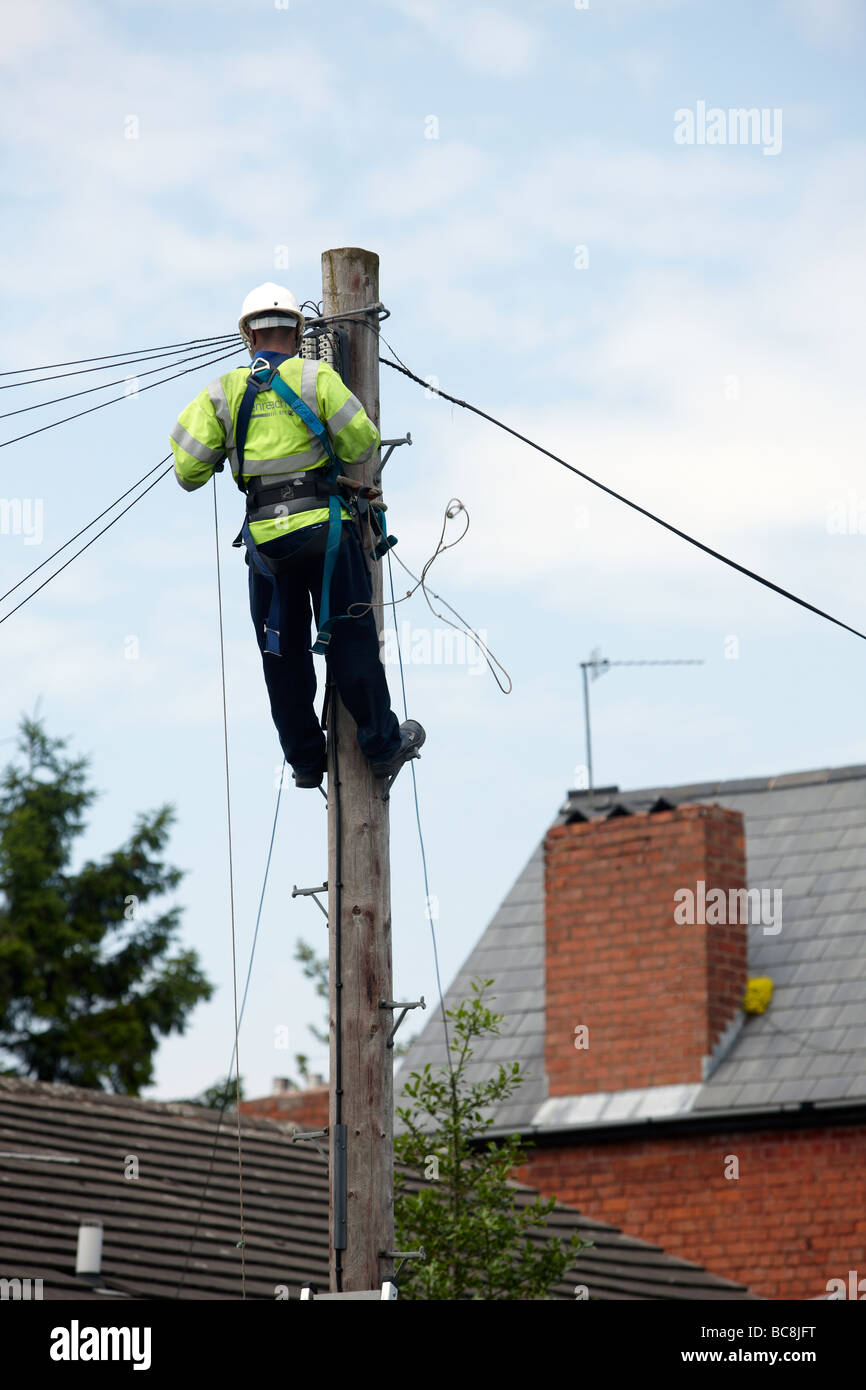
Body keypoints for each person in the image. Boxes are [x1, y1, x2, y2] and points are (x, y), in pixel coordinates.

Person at [169, 282, 424, 788]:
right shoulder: (317, 377)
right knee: (352, 641)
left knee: (281, 655)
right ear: (299, 330)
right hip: (325, 534)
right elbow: (361, 441)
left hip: (268, 547)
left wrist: (234, 451)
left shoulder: (222, 392)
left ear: (247, 334)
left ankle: (307, 761)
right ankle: (380, 744)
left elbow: (187, 471)